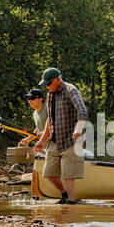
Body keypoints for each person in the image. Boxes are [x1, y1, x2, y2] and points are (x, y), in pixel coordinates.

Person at [33, 67, 87, 203]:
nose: (46, 86)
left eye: (48, 83)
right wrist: (42, 140)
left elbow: (82, 110)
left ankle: (71, 204)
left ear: (57, 79)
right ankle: (64, 196)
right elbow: (49, 120)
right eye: (45, 84)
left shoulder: (71, 90)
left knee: (68, 176)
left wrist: (78, 129)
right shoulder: (50, 94)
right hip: (54, 141)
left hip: (71, 141)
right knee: (49, 174)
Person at [24, 88, 49, 198]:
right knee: (35, 174)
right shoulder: (35, 113)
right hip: (41, 147)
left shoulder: (48, 109)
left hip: (53, 147)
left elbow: (55, 125)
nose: (30, 100)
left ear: (40, 99)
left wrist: (44, 132)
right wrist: (28, 139)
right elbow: (38, 129)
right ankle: (35, 199)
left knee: (51, 174)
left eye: (32, 98)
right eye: (28, 98)